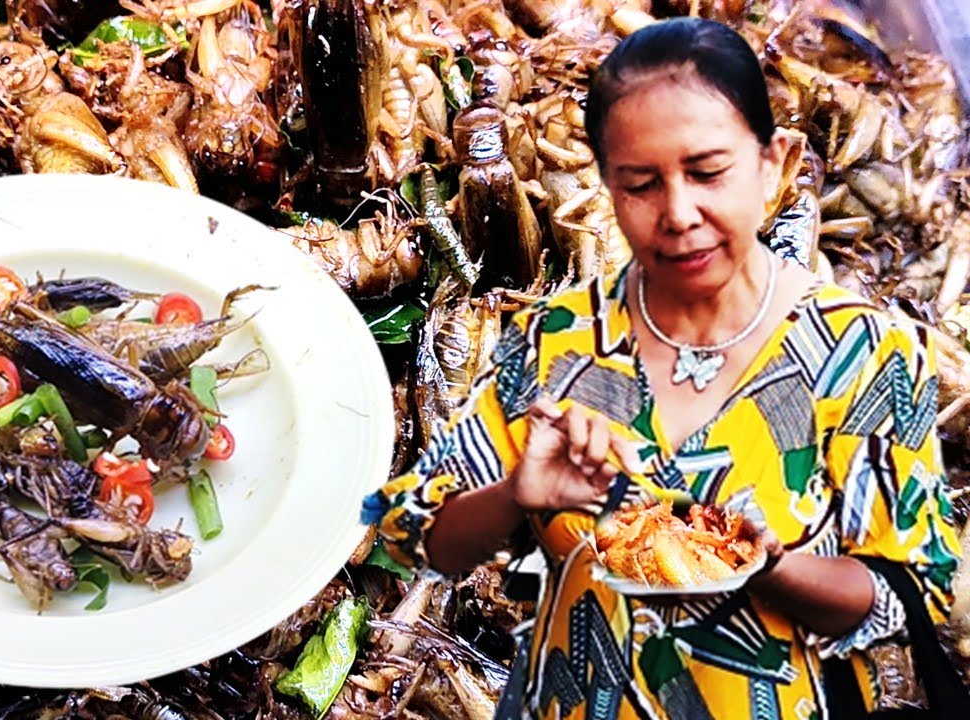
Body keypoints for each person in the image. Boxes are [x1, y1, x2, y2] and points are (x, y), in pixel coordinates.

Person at [361, 17, 963, 719]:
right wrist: (515, 497)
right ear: (609, 190)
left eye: (709, 172)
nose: (679, 213)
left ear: (777, 165)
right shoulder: (555, 340)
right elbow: (413, 534)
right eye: (641, 184)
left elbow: (904, 598)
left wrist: (772, 566)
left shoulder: (869, 354)